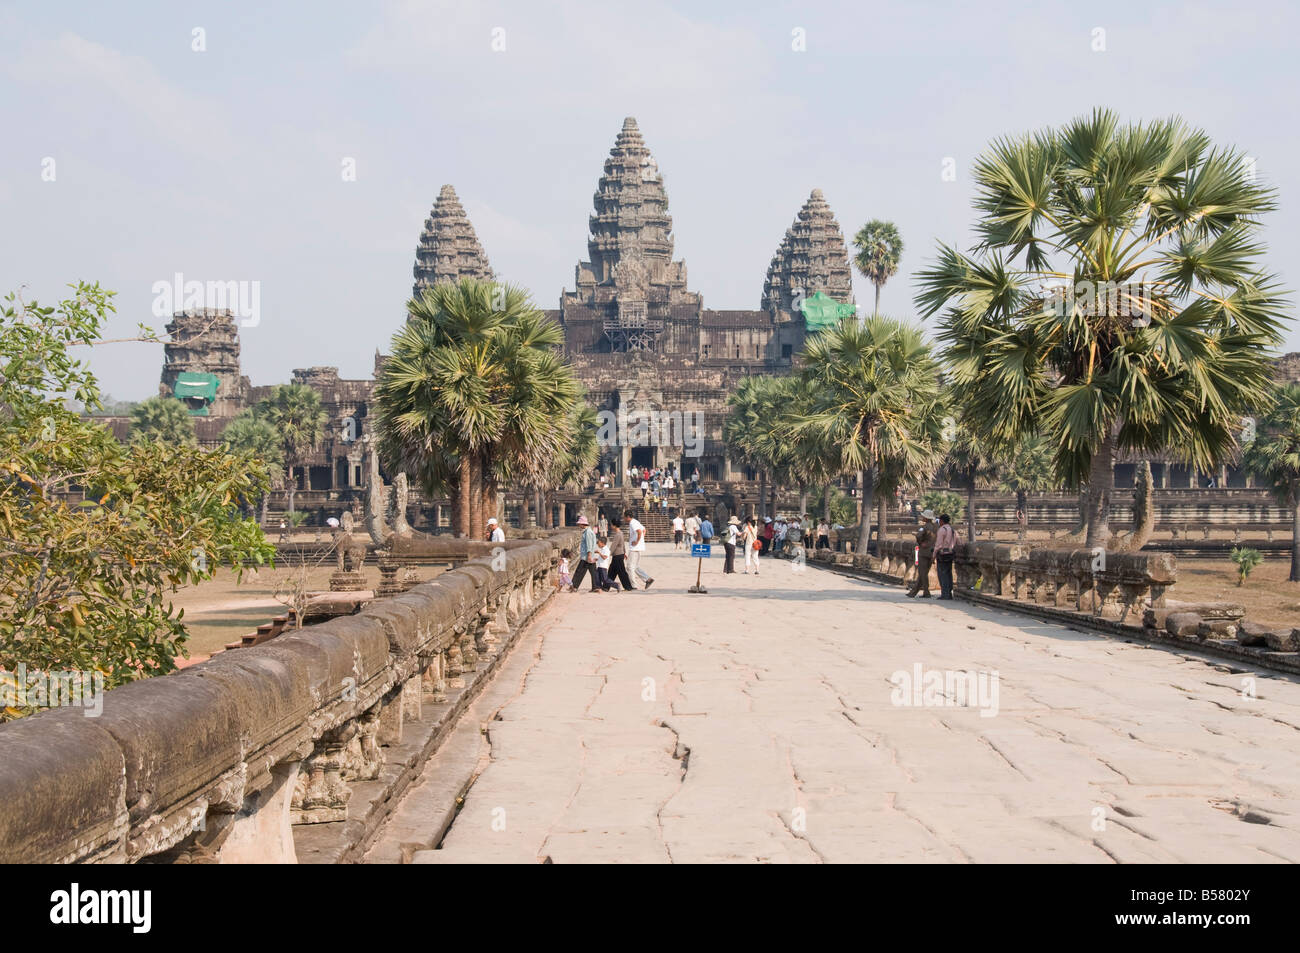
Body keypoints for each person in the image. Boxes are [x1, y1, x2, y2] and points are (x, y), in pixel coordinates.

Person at [907, 509, 937, 599]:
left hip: (924, 551)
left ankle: (926, 591)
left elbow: (919, 536)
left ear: (926, 518)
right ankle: (913, 592)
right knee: (924, 572)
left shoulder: (925, 527)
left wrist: (920, 542)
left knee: (922, 572)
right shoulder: (936, 527)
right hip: (933, 551)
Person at [623, 508, 655, 590]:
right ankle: (648, 579)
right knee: (635, 566)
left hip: (635, 548)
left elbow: (640, 532)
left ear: (628, 517)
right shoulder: (636, 522)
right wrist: (641, 540)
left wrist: (637, 541)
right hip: (638, 548)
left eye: (624, 517)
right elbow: (644, 530)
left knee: (629, 567)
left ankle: (634, 585)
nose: (624, 519)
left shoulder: (633, 523)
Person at [568, 516, 601, 593]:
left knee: (579, 571)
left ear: (583, 524)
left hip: (586, 556)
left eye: (579, 524)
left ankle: (574, 586)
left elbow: (589, 544)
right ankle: (595, 587)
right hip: (588, 555)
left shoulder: (588, 532)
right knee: (593, 572)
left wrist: (589, 555)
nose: (579, 526)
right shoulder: (588, 531)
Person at [607, 517, 634, 592]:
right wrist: (624, 552)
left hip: (617, 556)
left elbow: (613, 546)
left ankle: (628, 587)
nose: (610, 526)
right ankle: (606, 587)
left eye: (611, 525)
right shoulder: (620, 533)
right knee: (612, 572)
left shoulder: (617, 535)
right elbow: (623, 545)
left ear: (614, 525)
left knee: (621, 572)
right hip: (619, 554)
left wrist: (607, 554)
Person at [934, 513, 957, 600]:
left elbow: (938, 545)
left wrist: (933, 555)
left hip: (942, 554)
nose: (939, 522)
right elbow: (958, 541)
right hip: (950, 553)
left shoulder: (942, 530)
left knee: (942, 574)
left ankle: (945, 593)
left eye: (939, 521)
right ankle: (949, 592)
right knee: (948, 573)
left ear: (942, 521)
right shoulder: (952, 529)